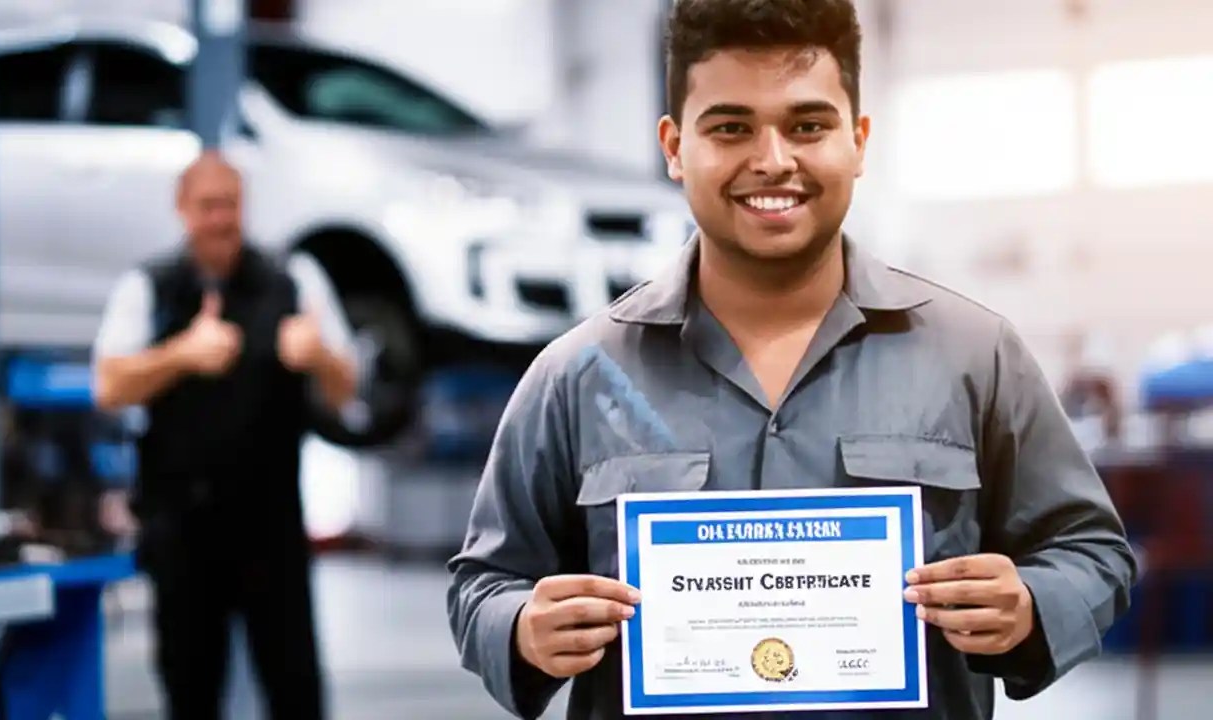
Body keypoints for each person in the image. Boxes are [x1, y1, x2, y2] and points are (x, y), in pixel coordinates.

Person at [445, 1, 1137, 718]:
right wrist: (523, 628)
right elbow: (482, 585)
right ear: (675, 146)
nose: (772, 160)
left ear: (859, 140)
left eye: (807, 126)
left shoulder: (975, 354)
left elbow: (1092, 552)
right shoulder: (577, 374)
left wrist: (1028, 606)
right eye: (730, 127)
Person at [92, 151, 357, 720]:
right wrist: (180, 356)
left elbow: (346, 390)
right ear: (183, 209)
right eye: (208, 206)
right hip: (183, 526)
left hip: (272, 525)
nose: (221, 218)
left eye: (230, 204)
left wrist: (317, 358)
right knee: (191, 685)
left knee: (295, 686)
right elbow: (109, 385)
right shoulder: (149, 287)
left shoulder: (295, 281)